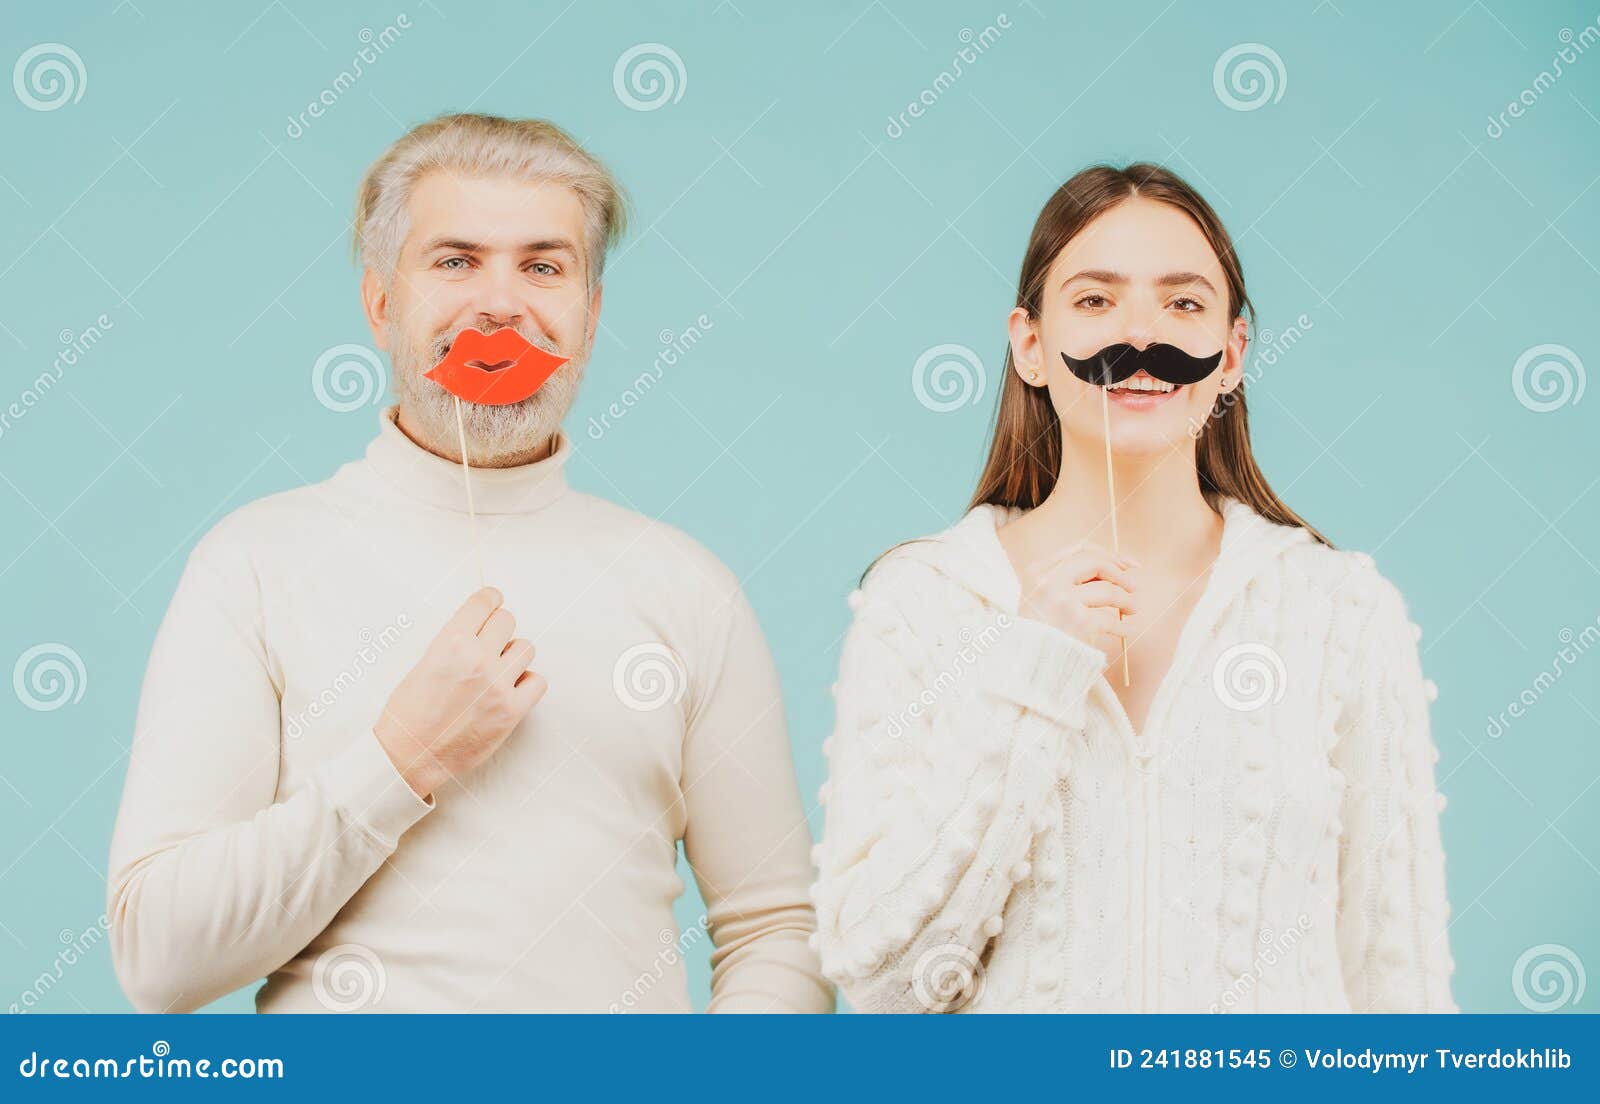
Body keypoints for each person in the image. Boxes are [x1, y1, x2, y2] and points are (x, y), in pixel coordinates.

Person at [107, 113, 832, 1014]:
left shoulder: (685, 588)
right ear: (381, 304)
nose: (501, 304)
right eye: (455, 261)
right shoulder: (253, 566)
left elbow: (775, 930)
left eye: (543, 265)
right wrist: (402, 758)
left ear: (591, 313)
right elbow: (157, 961)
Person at [810, 163, 1457, 1013]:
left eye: (1184, 304)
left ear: (1231, 355)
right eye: (1094, 301)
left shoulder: (1340, 612)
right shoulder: (923, 602)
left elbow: (1394, 979)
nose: (1141, 337)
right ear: (1031, 346)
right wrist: (1033, 675)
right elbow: (880, 978)